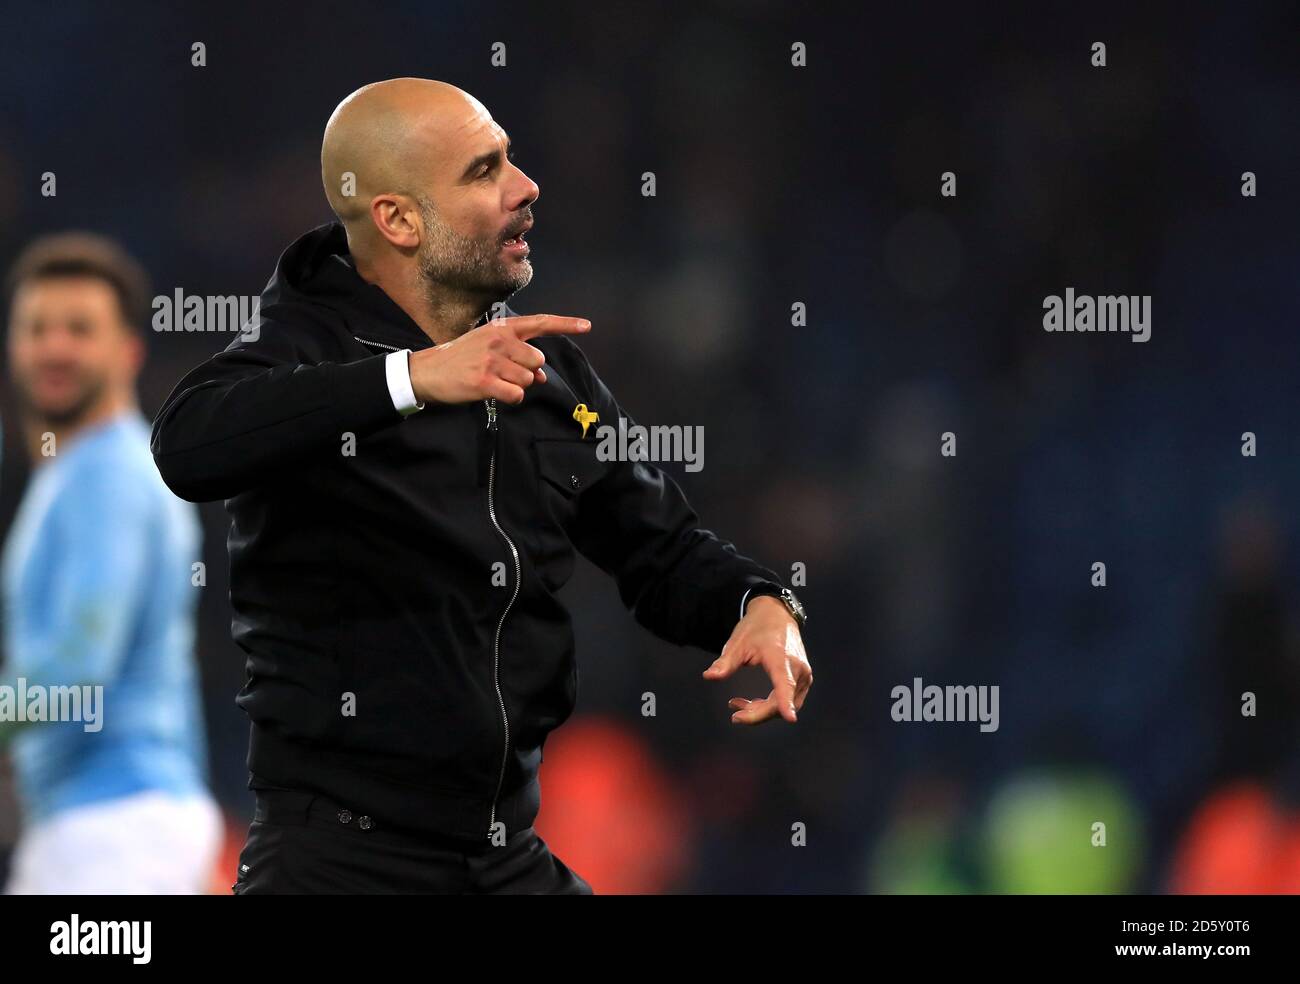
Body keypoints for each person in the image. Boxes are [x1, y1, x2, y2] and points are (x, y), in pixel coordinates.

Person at [151, 78, 812, 894]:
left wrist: (758, 603)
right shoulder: (303, 352)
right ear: (397, 219)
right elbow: (188, 445)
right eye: (483, 170)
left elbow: (660, 548)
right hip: (338, 866)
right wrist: (411, 378)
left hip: (498, 857)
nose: (526, 187)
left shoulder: (545, 373)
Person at [1, 233, 221, 894]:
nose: (55, 346)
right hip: (95, 826)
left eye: (79, 328)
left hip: (115, 831)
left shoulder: (110, 474)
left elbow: (75, 664)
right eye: (37, 328)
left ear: (129, 350)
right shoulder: (75, 476)